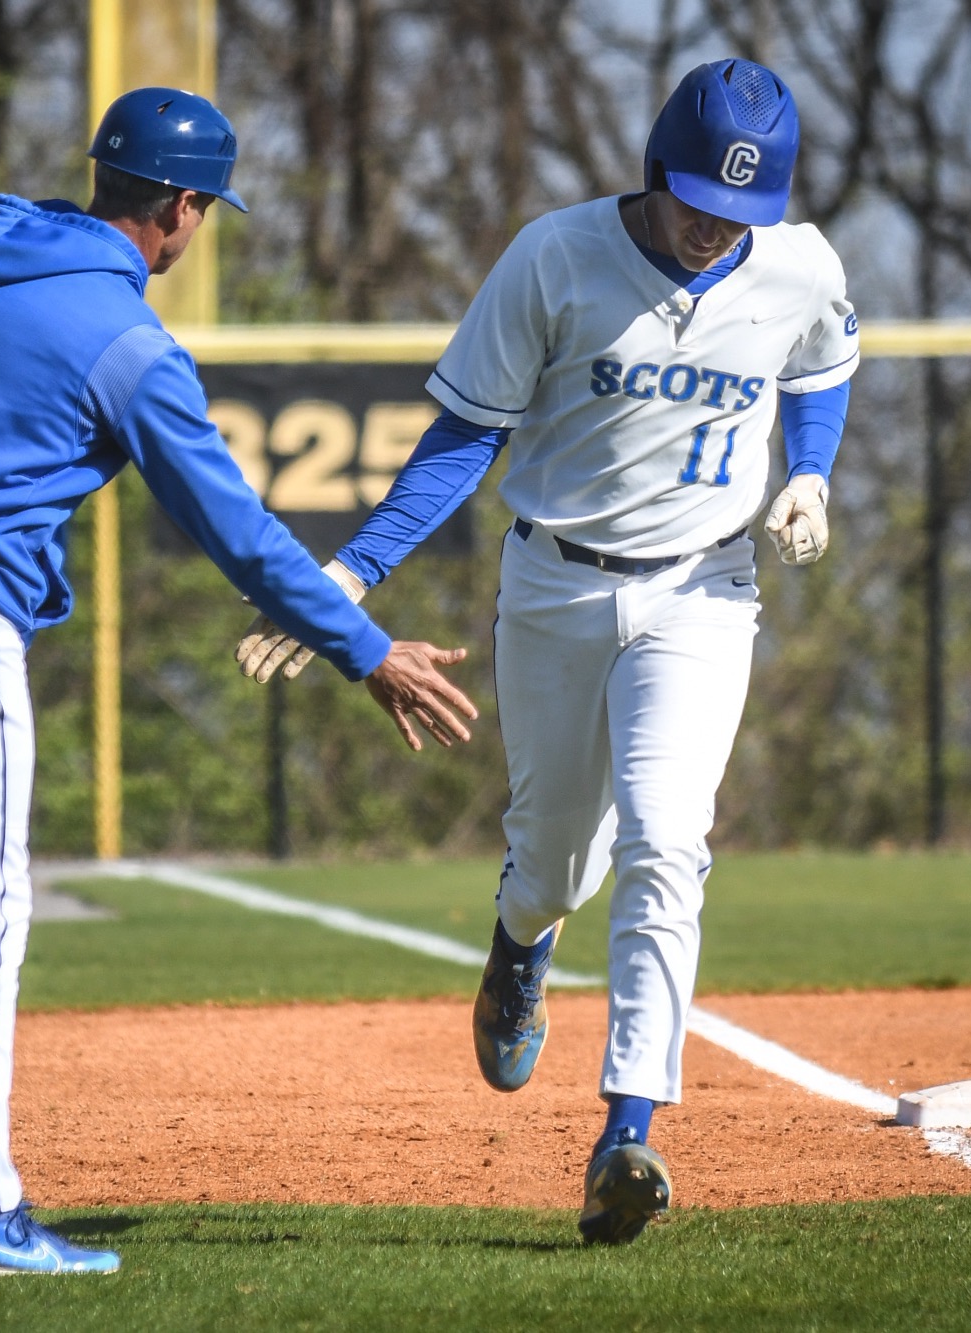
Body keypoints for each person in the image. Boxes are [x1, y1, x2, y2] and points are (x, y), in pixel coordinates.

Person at [0, 86, 477, 1278]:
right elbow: (234, 530)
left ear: (103, 178)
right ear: (182, 208)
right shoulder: (126, 341)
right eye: (205, 211)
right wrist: (366, 652)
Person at [234, 59, 856, 1245]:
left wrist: (810, 473)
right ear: (651, 166)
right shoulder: (554, 256)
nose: (708, 222)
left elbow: (820, 364)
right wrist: (346, 576)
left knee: (668, 840)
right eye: (690, 195)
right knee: (555, 866)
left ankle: (626, 1132)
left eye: (735, 208)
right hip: (555, 586)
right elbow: (461, 436)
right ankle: (520, 941)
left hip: (706, 589)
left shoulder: (797, 264)